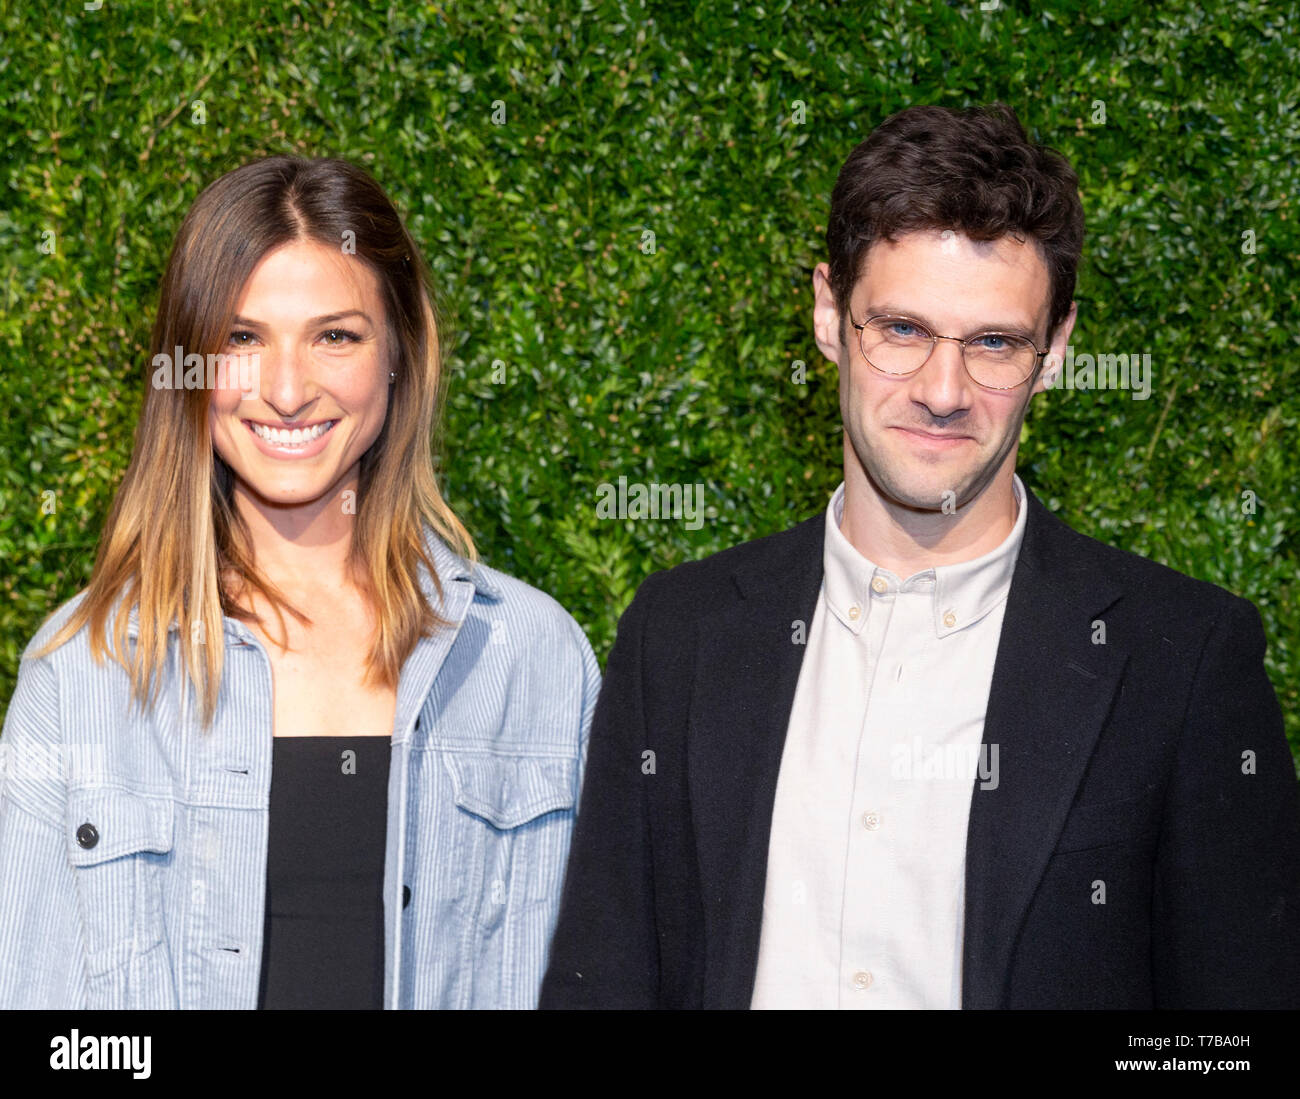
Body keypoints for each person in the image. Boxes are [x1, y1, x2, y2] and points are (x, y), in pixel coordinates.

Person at [539, 103, 1300, 1009]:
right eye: (901, 329)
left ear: (1054, 349)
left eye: (993, 343)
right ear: (830, 314)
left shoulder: (1185, 657)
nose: (943, 392)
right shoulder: (680, 635)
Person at [0, 156, 599, 1010]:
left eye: (335, 336)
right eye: (242, 339)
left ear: (400, 353)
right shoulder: (83, 672)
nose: (285, 390)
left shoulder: (532, 660)